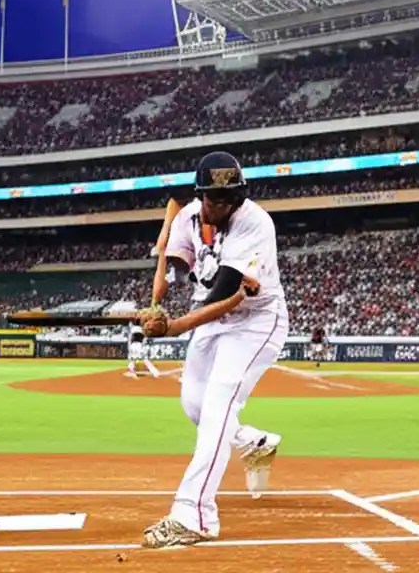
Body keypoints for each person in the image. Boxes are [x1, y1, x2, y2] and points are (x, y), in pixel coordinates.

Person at [137, 151, 289, 548]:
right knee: (195, 405)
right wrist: (156, 306)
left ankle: (194, 515)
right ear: (201, 195)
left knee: (219, 405)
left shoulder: (255, 222)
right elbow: (175, 266)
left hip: (253, 320)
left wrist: (173, 327)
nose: (221, 207)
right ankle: (254, 441)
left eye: (229, 200)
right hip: (209, 317)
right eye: (214, 199)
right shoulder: (188, 216)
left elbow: (227, 293)